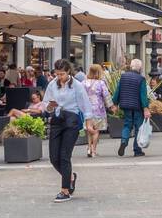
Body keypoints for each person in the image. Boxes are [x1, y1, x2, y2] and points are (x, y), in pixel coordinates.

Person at [43, 58, 91, 202]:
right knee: (53, 158)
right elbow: (46, 104)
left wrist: (88, 123)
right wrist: (50, 106)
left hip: (72, 121)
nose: (59, 77)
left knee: (64, 156)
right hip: (57, 120)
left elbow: (85, 105)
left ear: (68, 72)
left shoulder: (77, 85)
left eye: (62, 74)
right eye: (57, 74)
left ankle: (65, 191)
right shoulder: (52, 84)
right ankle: (70, 176)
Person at [110, 57, 151, 158]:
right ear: (140, 68)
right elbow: (143, 95)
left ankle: (124, 141)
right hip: (137, 107)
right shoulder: (141, 79)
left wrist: (115, 103)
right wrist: (145, 108)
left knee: (127, 125)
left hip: (125, 105)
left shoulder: (123, 77)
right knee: (138, 128)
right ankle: (137, 150)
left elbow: (118, 91)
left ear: (131, 66)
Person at [82, 65, 111, 158]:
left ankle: (88, 148)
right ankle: (94, 150)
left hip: (87, 110)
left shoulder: (83, 83)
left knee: (89, 130)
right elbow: (106, 96)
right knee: (96, 130)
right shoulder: (101, 83)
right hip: (98, 109)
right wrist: (110, 106)